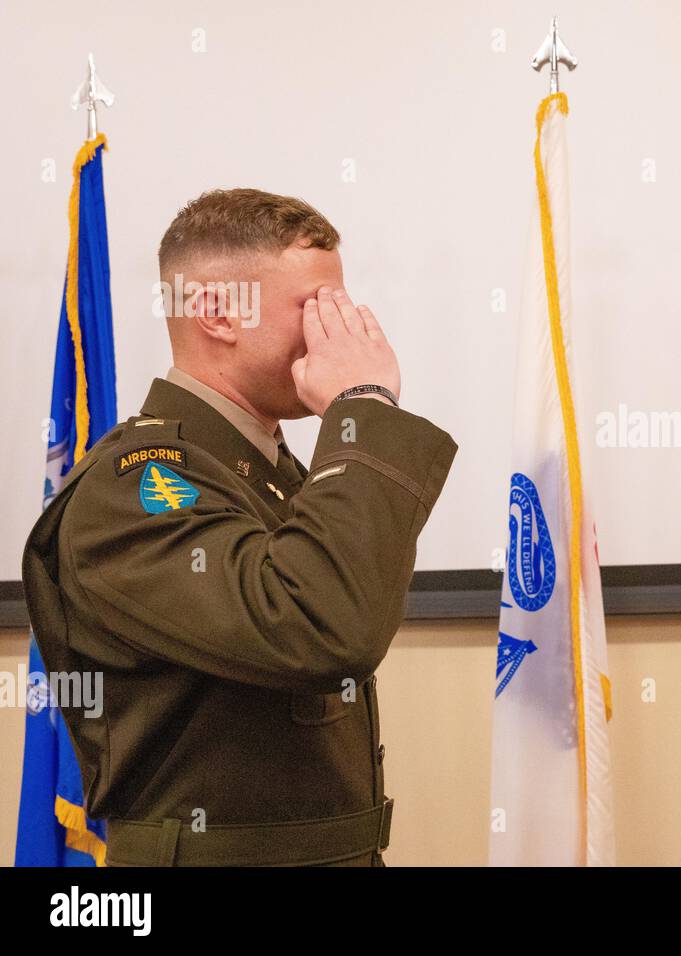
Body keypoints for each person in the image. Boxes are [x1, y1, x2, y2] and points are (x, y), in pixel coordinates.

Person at [22, 188, 457, 866]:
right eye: (314, 306)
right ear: (218, 314)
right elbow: (323, 624)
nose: (338, 328)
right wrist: (362, 406)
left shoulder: (265, 468)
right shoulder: (134, 485)